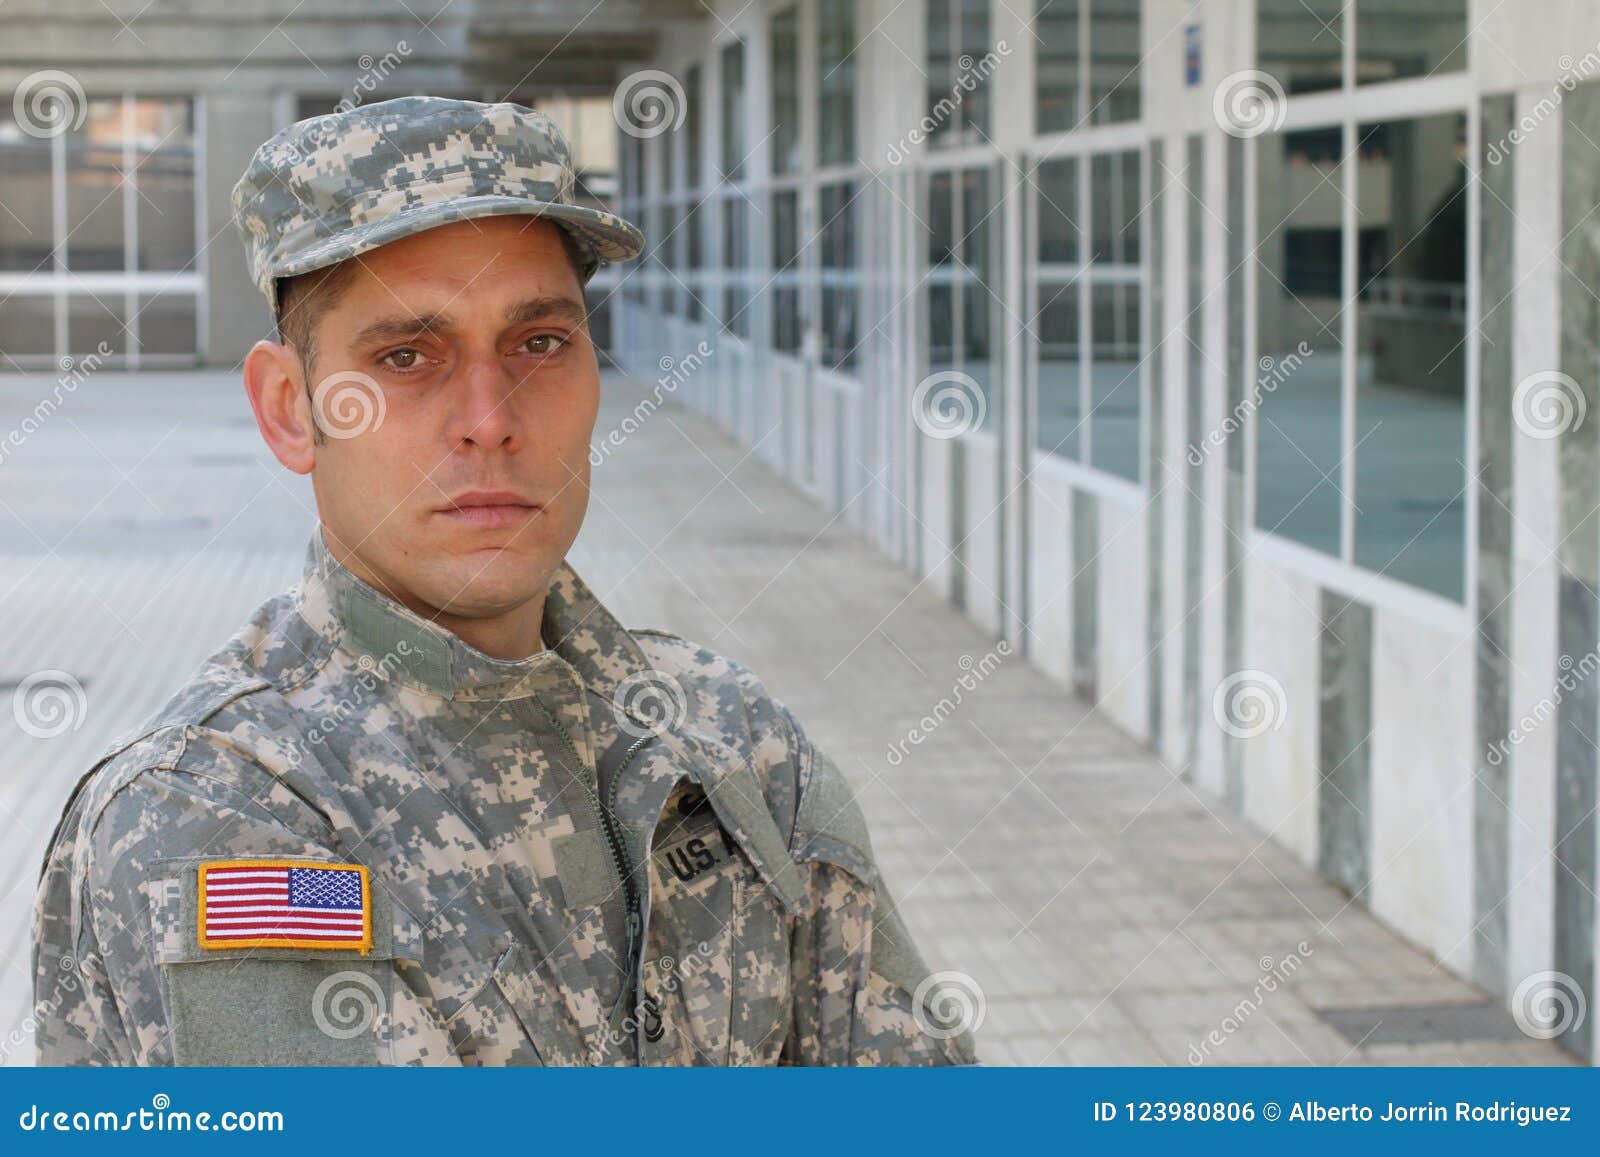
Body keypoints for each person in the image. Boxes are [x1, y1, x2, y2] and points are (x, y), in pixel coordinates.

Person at [30, 95, 976, 1067]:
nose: (489, 417)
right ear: (290, 409)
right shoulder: (226, 824)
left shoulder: (734, 743)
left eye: (538, 343)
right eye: (406, 356)